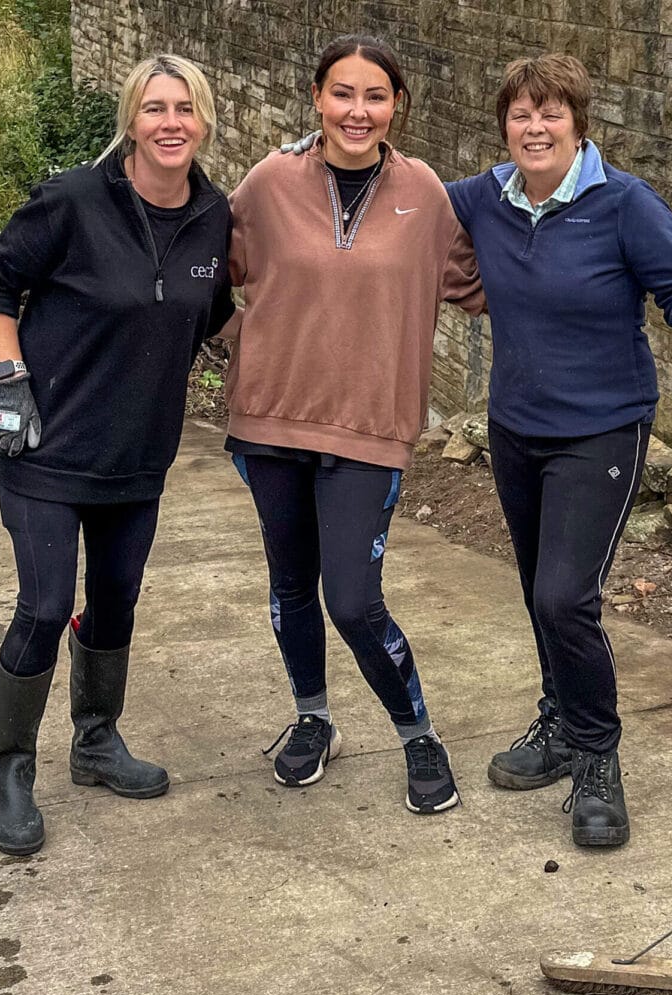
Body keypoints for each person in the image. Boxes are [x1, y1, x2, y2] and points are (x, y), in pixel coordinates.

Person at [446, 54, 672, 847]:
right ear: (504, 125)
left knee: (565, 596)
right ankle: (561, 722)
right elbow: (398, 204)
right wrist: (315, 154)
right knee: (540, 587)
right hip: (516, 425)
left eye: (551, 113)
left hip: (602, 427)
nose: (534, 128)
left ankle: (598, 756)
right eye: (520, 114)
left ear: (579, 123)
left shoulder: (623, 203)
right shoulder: (483, 197)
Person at [0, 54, 234, 855]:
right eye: (155, 108)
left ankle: (95, 743)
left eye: (185, 108)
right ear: (131, 119)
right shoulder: (74, 200)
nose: (170, 123)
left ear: (205, 120)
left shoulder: (213, 215)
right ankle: (11, 770)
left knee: (114, 605)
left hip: (138, 455)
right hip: (46, 447)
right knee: (46, 609)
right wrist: (10, 377)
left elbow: (214, 317)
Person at [226, 34, 484, 814]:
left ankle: (417, 734)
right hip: (268, 421)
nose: (358, 111)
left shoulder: (426, 196)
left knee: (353, 600)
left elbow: (495, 282)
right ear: (316, 97)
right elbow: (201, 267)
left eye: (375, 96)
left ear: (396, 105)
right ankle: (313, 720)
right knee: (290, 587)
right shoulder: (269, 182)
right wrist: (235, 336)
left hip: (370, 428)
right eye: (343, 93)